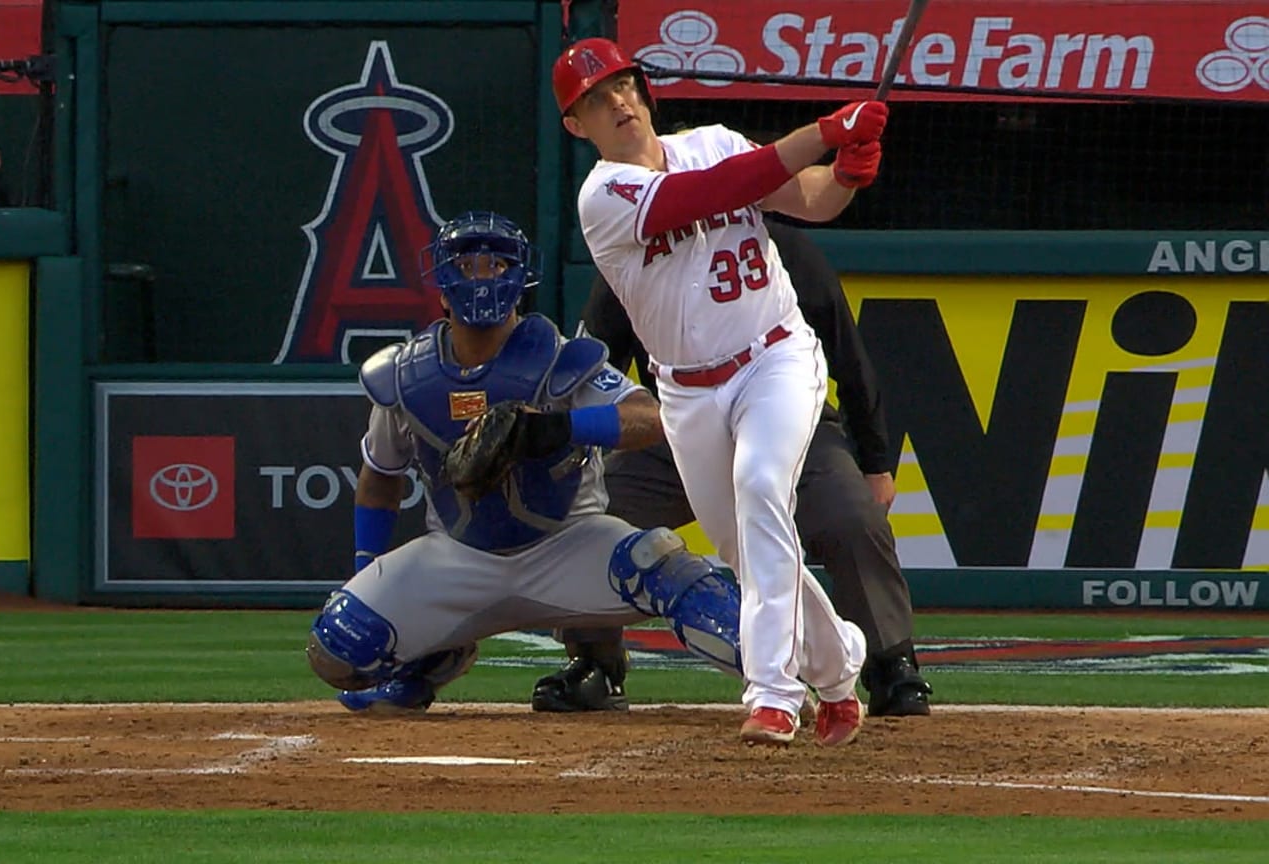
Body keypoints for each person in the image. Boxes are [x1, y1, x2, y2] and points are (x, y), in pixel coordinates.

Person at [305, 211, 861, 746]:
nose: (482, 277)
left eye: (495, 264)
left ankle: (781, 679)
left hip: (570, 546)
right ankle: (434, 657)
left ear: (519, 275)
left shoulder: (558, 358)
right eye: (468, 264)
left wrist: (558, 427)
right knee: (339, 645)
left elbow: (648, 417)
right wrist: (363, 572)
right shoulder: (405, 375)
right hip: (459, 554)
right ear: (442, 278)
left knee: (669, 574)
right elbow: (380, 479)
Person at [552, 37, 889, 745]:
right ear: (575, 125)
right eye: (594, 99)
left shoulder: (712, 141)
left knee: (763, 485)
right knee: (748, 549)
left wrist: (850, 171)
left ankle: (772, 693)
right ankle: (838, 667)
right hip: (686, 394)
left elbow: (812, 201)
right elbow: (712, 193)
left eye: (622, 86)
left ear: (642, 92)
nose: (617, 101)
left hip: (775, 359)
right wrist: (826, 131)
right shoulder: (603, 196)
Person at [532, 218, 933, 719]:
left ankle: (889, 660)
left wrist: (875, 464)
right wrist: (563, 440)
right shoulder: (632, 257)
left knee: (851, 516)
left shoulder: (780, 244)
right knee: (593, 517)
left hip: (789, 421)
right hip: (677, 428)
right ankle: (594, 660)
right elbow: (593, 365)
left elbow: (846, 355)